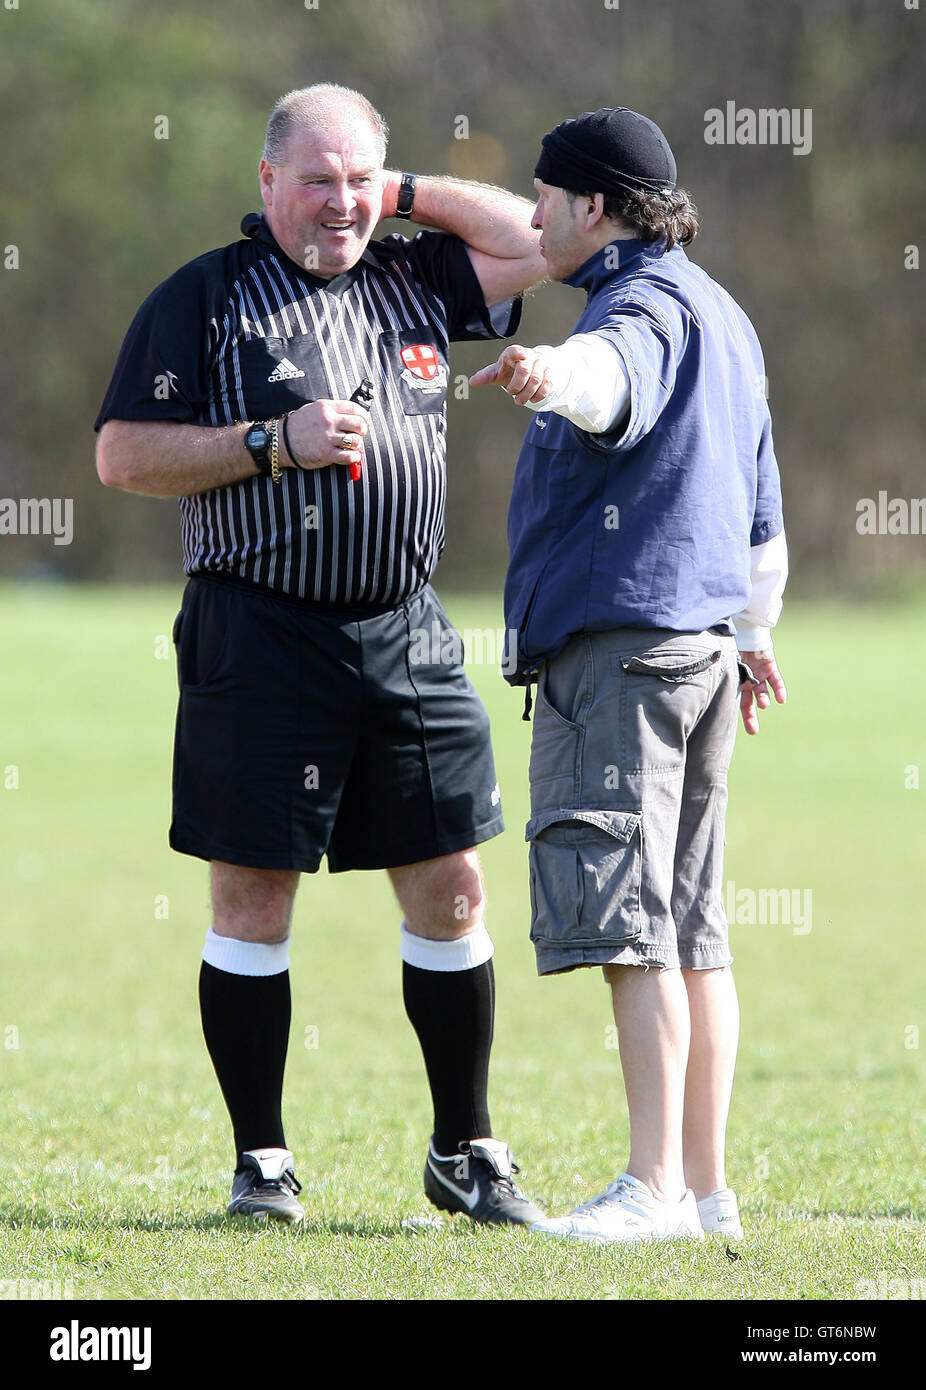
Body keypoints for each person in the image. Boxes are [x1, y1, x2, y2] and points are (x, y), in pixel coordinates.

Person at [94, 84, 548, 1228]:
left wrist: (397, 194)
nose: (339, 203)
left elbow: (532, 243)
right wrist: (267, 443)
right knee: (252, 895)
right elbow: (121, 456)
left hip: (404, 627)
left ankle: (465, 1147)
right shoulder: (202, 297)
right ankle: (262, 1161)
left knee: (451, 886)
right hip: (259, 629)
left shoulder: (415, 274)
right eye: (316, 180)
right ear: (265, 183)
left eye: (359, 181)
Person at [471, 107, 787, 1244]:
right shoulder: (726, 313)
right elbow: (762, 510)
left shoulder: (635, 307)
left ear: (593, 207)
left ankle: (648, 1187)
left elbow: (613, 380)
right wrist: (753, 637)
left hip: (626, 659)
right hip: (705, 654)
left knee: (630, 923)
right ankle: (706, 1194)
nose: (536, 213)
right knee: (695, 929)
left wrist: (551, 373)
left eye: (547, 197)